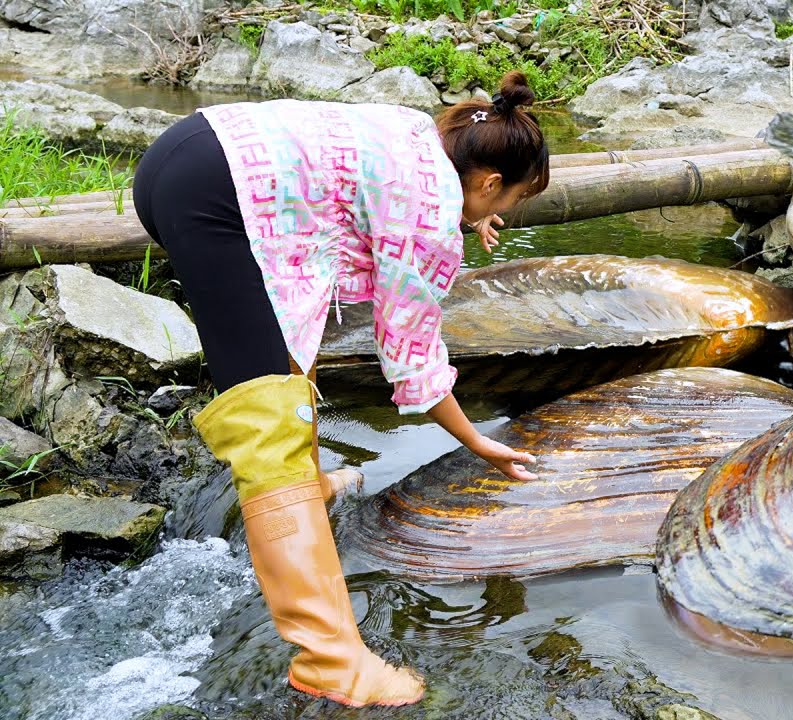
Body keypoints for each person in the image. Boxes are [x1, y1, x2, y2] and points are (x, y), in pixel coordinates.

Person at [131, 71, 550, 707]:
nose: (501, 215)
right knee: (267, 412)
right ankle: (331, 658)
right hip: (216, 198)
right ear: (489, 181)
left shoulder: (427, 138)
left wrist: (461, 214)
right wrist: (475, 441)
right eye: (507, 201)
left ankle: (306, 483)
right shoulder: (430, 212)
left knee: (286, 319)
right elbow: (410, 354)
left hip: (180, 156)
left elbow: (377, 208)